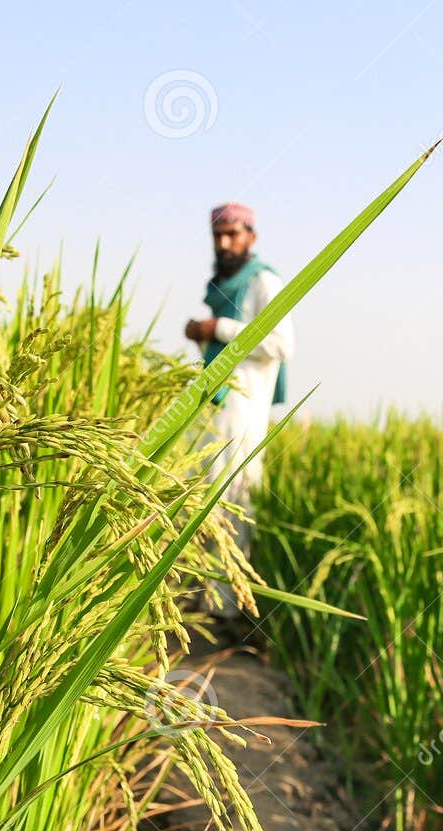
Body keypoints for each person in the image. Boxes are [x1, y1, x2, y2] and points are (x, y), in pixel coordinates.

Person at [184, 202, 294, 621]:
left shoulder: (263, 281)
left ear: (252, 236)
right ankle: (203, 599)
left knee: (234, 506)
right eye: (219, 235)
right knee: (206, 502)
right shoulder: (224, 286)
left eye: (234, 233)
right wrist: (203, 335)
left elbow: (281, 344)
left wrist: (220, 329)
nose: (225, 242)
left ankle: (227, 612)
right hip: (215, 412)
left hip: (245, 415)